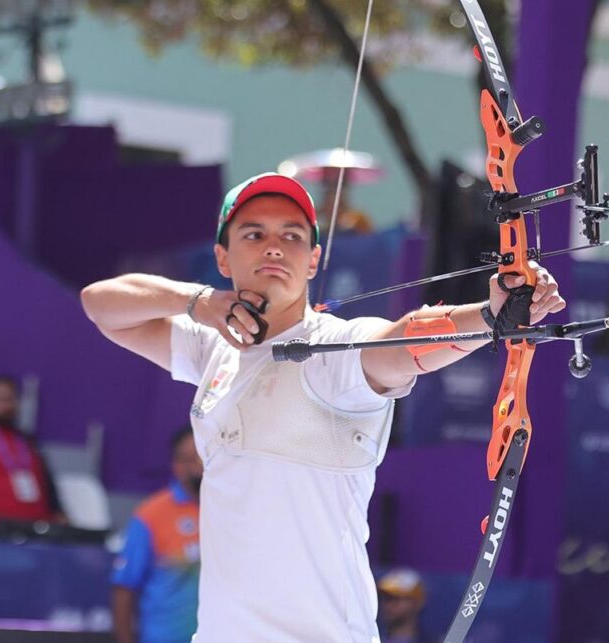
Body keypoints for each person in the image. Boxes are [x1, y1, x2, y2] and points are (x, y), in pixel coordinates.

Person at [80, 172, 566, 641]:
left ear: (313, 260)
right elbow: (101, 306)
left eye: (292, 235)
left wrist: (488, 315)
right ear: (222, 257)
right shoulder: (214, 348)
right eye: (254, 233)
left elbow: (401, 344)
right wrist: (201, 302)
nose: (274, 245)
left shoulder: (336, 349)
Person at [112, 426, 202, 643]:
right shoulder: (151, 515)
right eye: (191, 460)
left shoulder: (228, 512)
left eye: (203, 458)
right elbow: (124, 589)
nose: (200, 467)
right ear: (177, 466)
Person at [0, 374, 64, 523]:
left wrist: (59, 511)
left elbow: (47, 482)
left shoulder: (27, 440)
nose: (8, 406)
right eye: (1, 399)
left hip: (39, 527)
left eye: (11, 399)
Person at [377, 568, 430, 643]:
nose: (389, 604)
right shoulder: (368, 638)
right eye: (385, 598)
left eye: (396, 598)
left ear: (416, 603)